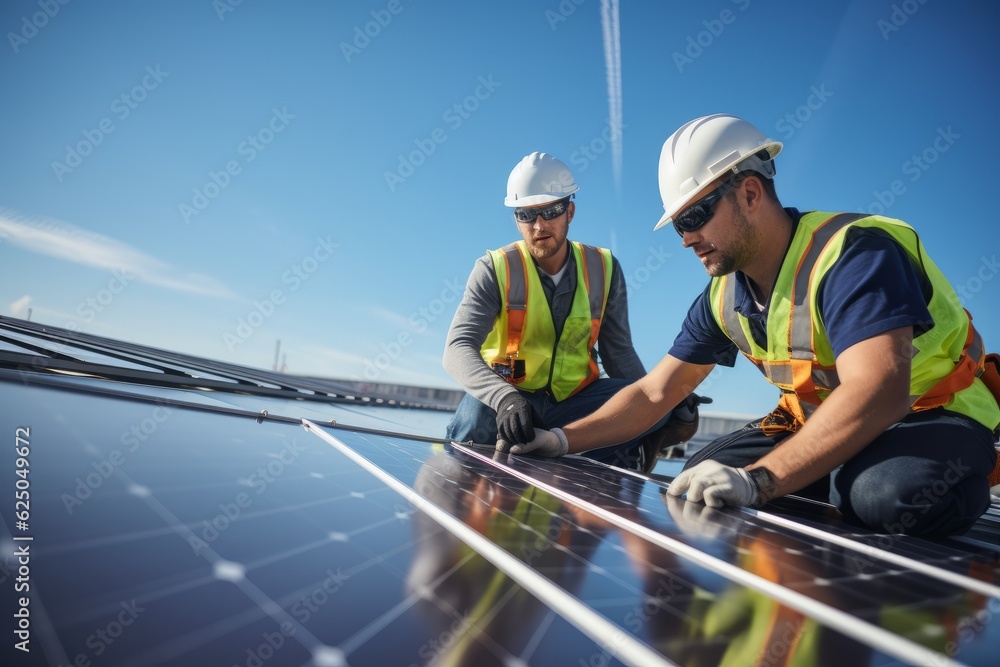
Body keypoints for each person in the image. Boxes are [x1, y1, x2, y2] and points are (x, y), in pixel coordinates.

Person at [504, 115, 1000, 537]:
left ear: (749, 192)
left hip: (929, 414)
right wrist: (561, 440)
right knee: (701, 477)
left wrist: (761, 481)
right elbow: (656, 394)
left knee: (885, 497)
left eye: (696, 215)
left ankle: (954, 474)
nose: (686, 239)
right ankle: (839, 470)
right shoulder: (723, 296)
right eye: (679, 224)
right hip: (824, 423)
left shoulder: (853, 255)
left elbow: (880, 390)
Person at [443, 151, 706, 472]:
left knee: (648, 404)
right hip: (512, 399)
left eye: (550, 211)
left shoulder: (603, 269)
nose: (538, 226)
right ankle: (464, 471)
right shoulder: (496, 268)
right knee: (475, 420)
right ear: (516, 218)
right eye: (526, 214)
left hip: (577, 400)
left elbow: (618, 353)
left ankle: (617, 463)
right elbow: (457, 348)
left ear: (570, 211)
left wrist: (662, 397)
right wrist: (504, 398)